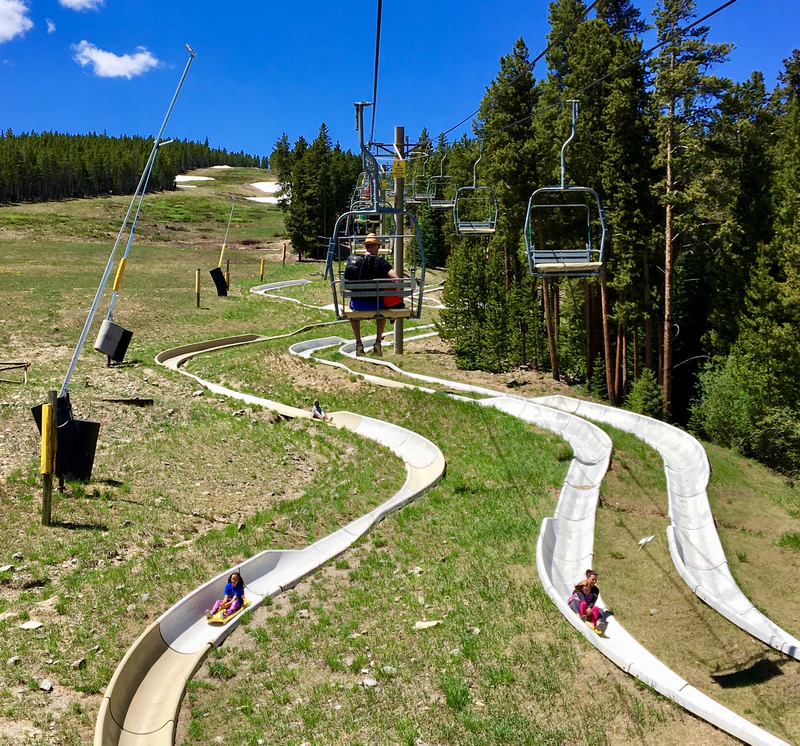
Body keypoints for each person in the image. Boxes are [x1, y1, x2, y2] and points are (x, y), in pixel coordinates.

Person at [344, 232, 403, 357]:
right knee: (381, 311)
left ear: (366, 247)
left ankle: (358, 343)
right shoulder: (381, 262)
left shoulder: (356, 261)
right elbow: (397, 280)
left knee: (352, 311)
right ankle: (377, 343)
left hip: (358, 304)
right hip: (377, 304)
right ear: (376, 247)